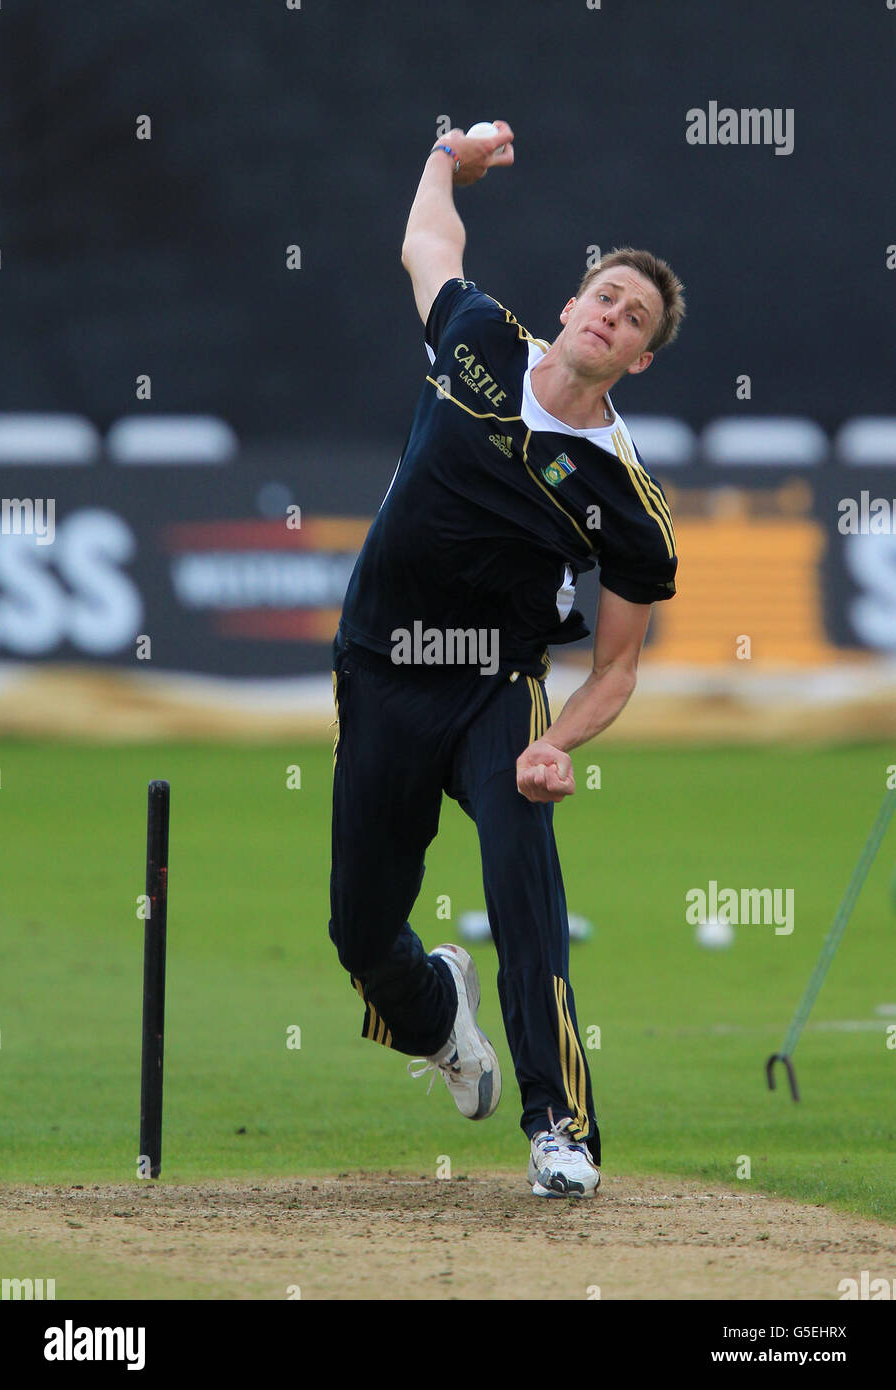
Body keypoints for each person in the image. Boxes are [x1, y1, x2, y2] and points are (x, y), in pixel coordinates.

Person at [328, 120, 685, 1198]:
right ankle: (441, 1018)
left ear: (638, 357)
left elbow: (615, 666)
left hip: (496, 686)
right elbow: (425, 248)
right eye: (605, 296)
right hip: (382, 670)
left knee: (522, 889)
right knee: (360, 935)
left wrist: (559, 744)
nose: (611, 316)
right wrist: (443, 157)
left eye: (634, 318)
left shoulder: (627, 501)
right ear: (573, 307)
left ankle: (557, 1128)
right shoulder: (479, 337)